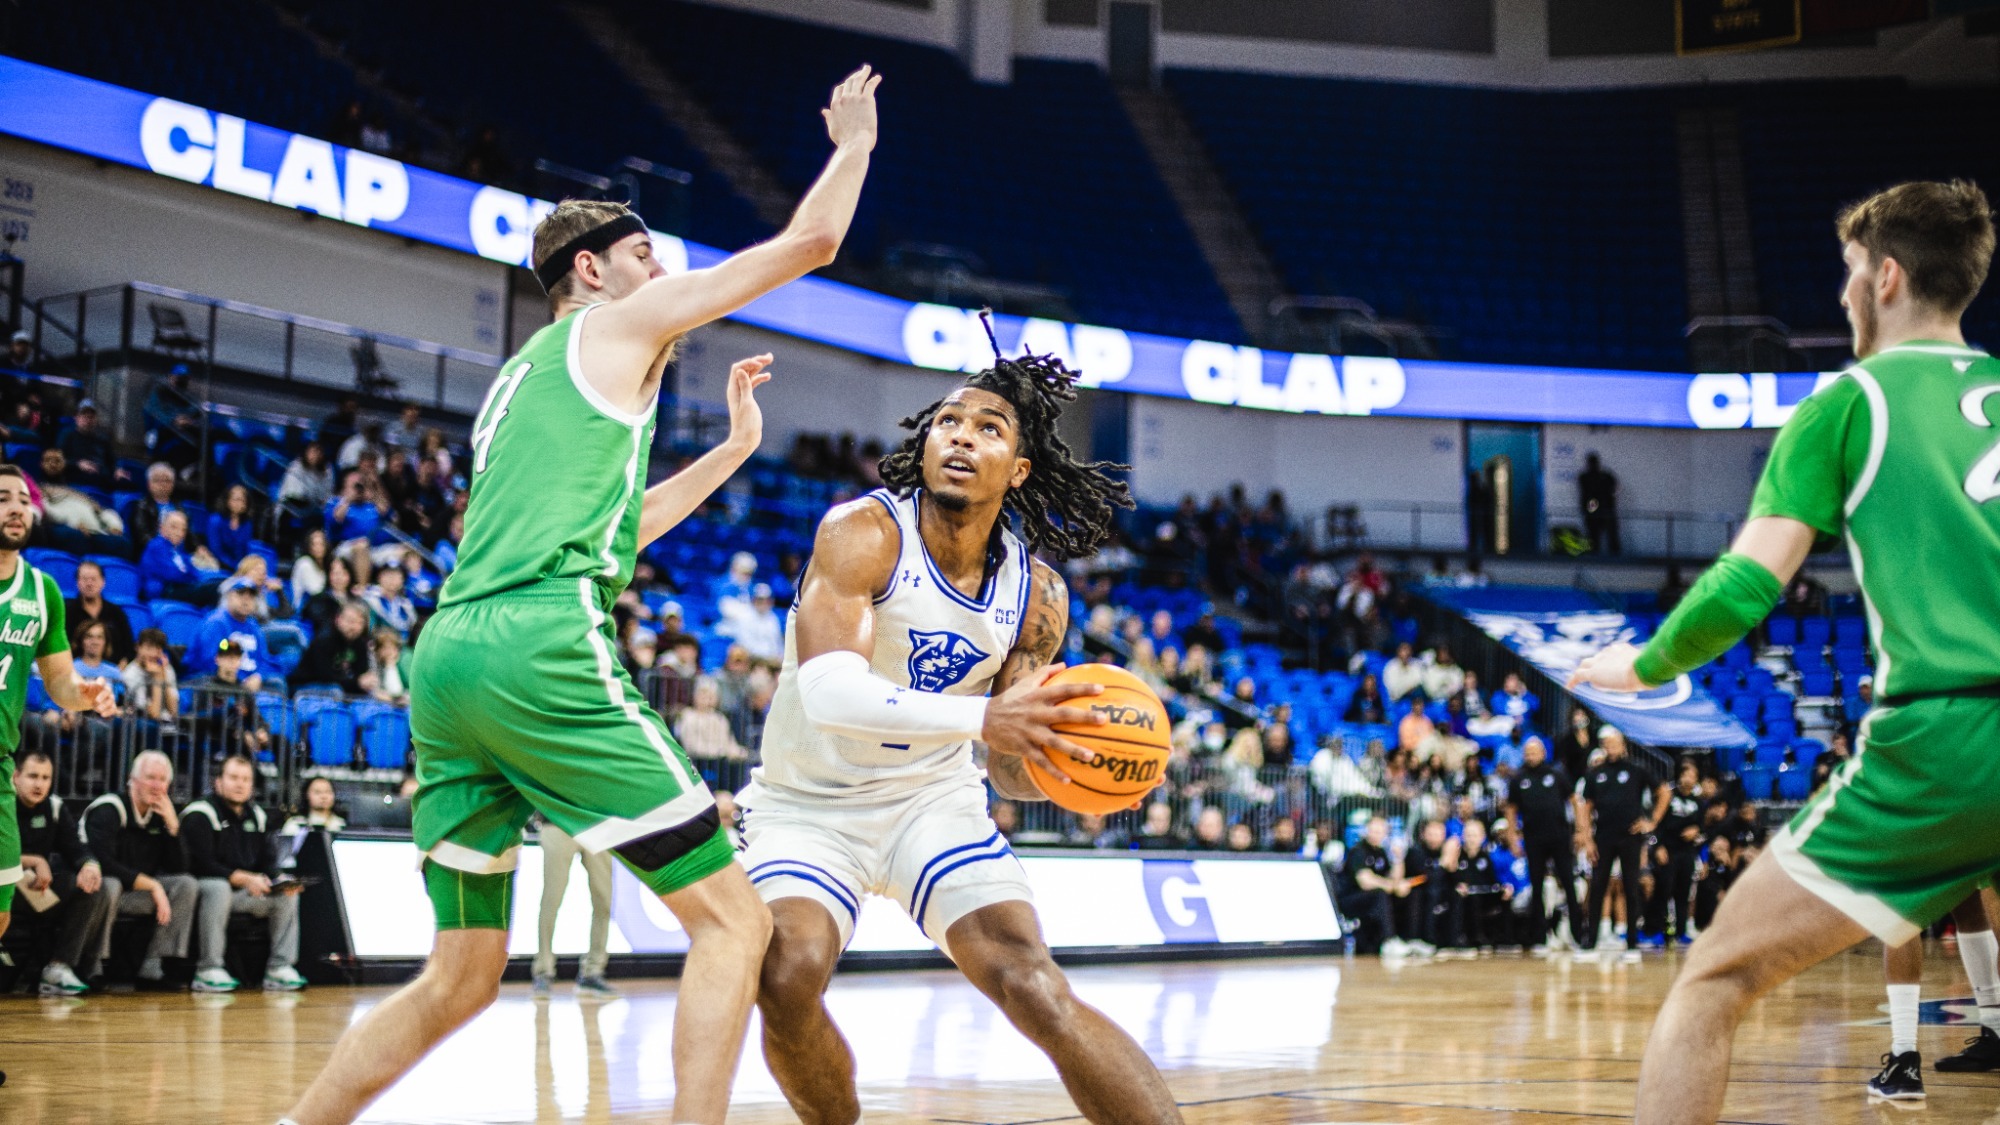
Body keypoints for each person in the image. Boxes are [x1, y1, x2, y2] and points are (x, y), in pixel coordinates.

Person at [280, 65, 883, 1125]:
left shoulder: (524, 381)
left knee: (461, 974)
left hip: (450, 658)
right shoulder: (620, 322)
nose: (666, 270)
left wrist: (734, 451)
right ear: (593, 270)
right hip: (539, 643)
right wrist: (853, 147)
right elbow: (809, 247)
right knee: (735, 926)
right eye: (648, 255)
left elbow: (617, 529)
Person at [1566, 180, 2000, 1124]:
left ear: (1886, 277)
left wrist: (1642, 665)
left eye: (1850, 273)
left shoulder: (1850, 400)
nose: (1843, 294)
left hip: (1949, 739)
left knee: (1713, 980)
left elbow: (1747, 585)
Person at [741, 334, 1184, 1124]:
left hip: (930, 803)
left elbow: (1009, 763)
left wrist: (1060, 758)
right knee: (786, 973)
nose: (961, 437)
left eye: (987, 428)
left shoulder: (1036, 592)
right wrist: (987, 717)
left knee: (1033, 984)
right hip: (809, 807)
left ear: (1018, 469)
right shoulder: (863, 533)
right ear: (925, 441)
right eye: (948, 422)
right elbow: (831, 692)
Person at [0, 465, 120, 954]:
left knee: (2, 910)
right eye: (3, 497)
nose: (15, 508)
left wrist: (86, 695)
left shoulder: (43, 590)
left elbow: (59, 683)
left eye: (23, 500)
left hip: (0, 765)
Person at [182, 754, 306, 992]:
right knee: (218, 888)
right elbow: (199, 864)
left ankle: (279, 968)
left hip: (242, 894)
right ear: (218, 782)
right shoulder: (200, 813)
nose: (240, 784)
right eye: (233, 778)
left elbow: (267, 863)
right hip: (203, 891)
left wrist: (280, 879)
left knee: (286, 894)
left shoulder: (257, 816)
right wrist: (241, 877)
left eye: (246, 779)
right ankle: (208, 968)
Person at [84, 751, 199, 990]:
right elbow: (102, 862)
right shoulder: (109, 808)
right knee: (110, 884)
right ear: (132, 780)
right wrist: (152, 885)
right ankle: (93, 965)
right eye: (150, 777)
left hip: (136, 894)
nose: (157, 785)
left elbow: (180, 867)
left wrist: (173, 827)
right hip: (97, 893)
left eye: (162, 779)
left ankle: (154, 964)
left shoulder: (160, 814)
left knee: (186, 884)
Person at [11, 749, 113, 994]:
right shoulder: (4, 805)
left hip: (36, 889)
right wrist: (32, 861)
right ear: (15, 776)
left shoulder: (54, 807)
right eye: (33, 776)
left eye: (46, 778)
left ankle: (59, 968)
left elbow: (76, 847)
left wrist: (90, 865)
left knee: (91, 888)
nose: (39, 784)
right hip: (7, 885)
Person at [1572, 726, 1666, 963]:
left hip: (1630, 836)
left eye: (1614, 743)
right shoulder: (1596, 773)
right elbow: (1585, 806)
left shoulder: (1637, 769)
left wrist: (1651, 821)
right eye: (1606, 744)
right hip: (1603, 837)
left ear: (1623, 745)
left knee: (1631, 887)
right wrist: (1586, 837)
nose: (1610, 747)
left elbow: (1664, 791)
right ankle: (1590, 944)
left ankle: (1632, 945)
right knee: (1597, 887)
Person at [1506, 737, 1583, 952]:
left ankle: (1577, 935)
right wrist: (1513, 837)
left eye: (1535, 752)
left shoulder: (1556, 774)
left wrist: (1580, 831)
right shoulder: (1518, 779)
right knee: (1537, 886)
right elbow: (1511, 810)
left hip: (1559, 837)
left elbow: (1575, 800)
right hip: (1533, 839)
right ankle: (1540, 937)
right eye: (1528, 752)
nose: (1531, 756)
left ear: (1543, 753)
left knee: (1569, 883)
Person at [531, 811, 617, 998]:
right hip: (556, 820)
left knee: (604, 901)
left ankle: (592, 974)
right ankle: (543, 972)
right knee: (552, 900)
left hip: (597, 823)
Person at [1642, 759, 1704, 948]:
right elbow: (1657, 823)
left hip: (1687, 852)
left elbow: (1702, 826)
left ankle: (1681, 931)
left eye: (1692, 776)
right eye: (1685, 774)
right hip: (1667, 850)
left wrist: (1696, 831)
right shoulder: (1668, 797)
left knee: (1684, 892)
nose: (1688, 779)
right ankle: (1656, 931)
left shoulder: (1698, 803)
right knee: (1663, 890)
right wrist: (1657, 846)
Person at [1337, 816, 1401, 956]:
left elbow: (1394, 880)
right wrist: (1389, 885)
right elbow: (1365, 881)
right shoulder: (1358, 851)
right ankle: (1389, 941)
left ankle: (1406, 938)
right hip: (1350, 900)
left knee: (1400, 895)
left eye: (1380, 831)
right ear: (1366, 831)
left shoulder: (1382, 852)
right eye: (1373, 830)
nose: (1376, 834)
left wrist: (1398, 859)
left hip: (1370, 900)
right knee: (1380, 893)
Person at [189, 579, 270, 687]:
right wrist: (240, 681)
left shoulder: (254, 626)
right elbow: (209, 660)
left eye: (251, 597)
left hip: (248, 684)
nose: (246, 600)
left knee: (276, 683)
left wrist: (258, 677)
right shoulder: (216, 622)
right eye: (241, 594)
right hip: (214, 682)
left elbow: (264, 660)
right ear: (230, 597)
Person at [294, 603, 377, 695]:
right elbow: (325, 677)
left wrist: (365, 682)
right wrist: (357, 683)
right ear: (338, 619)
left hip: (342, 686)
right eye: (351, 621)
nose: (354, 627)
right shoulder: (323, 641)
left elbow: (361, 674)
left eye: (360, 623)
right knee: (335, 691)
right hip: (307, 686)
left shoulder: (360, 644)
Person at [65, 559, 136, 666]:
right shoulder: (67, 611)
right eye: (85, 579)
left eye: (93, 579)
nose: (89, 583)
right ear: (77, 582)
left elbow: (129, 648)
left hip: (113, 673)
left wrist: (122, 665)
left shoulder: (116, 613)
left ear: (103, 582)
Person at [141, 510, 221, 603]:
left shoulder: (178, 551)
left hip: (179, 588)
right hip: (164, 592)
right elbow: (172, 574)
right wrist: (188, 574)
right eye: (174, 527)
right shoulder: (156, 546)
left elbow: (193, 572)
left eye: (183, 529)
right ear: (161, 528)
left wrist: (189, 574)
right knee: (214, 588)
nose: (179, 533)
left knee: (220, 584)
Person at [122, 627, 180, 727]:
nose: (153, 654)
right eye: (149, 648)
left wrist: (163, 676)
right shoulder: (130, 675)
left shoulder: (166, 669)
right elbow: (153, 715)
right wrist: (157, 678)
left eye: (158, 649)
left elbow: (174, 711)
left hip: (168, 725)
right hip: (143, 727)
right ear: (137, 647)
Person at [125, 461, 184, 547]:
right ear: (149, 484)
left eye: (167, 480)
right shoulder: (141, 506)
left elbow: (189, 537)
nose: (163, 484)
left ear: (173, 484)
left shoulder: (179, 508)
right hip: (154, 551)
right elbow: (142, 536)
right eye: (157, 480)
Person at [57, 399, 113, 487]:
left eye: (91, 417)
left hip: (101, 478)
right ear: (76, 418)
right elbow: (58, 460)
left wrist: (117, 470)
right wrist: (78, 464)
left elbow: (112, 461)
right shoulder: (67, 435)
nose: (88, 420)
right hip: (75, 479)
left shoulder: (103, 439)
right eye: (84, 416)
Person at [207, 484, 259, 571]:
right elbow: (216, 551)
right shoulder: (215, 520)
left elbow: (245, 550)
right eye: (236, 499)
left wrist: (244, 567)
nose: (239, 503)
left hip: (240, 567)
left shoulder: (247, 525)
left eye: (243, 500)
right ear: (227, 500)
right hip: (218, 566)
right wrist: (235, 567)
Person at [1579, 451, 1620, 555]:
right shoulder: (1585, 477)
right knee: (1593, 535)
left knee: (1609, 536)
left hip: (1604, 507)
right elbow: (1589, 494)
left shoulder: (1605, 476)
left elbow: (1613, 488)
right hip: (1594, 507)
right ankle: (1594, 555)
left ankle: (1613, 556)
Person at [362, 565, 418, 639]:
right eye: (388, 575)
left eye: (396, 576)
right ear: (379, 577)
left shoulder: (406, 604)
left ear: (402, 580)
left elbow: (412, 624)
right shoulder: (370, 599)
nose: (392, 579)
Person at [282, 776, 346, 836]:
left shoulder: (341, 825)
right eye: (317, 792)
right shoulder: (295, 824)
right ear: (306, 795)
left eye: (328, 791)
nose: (324, 796)